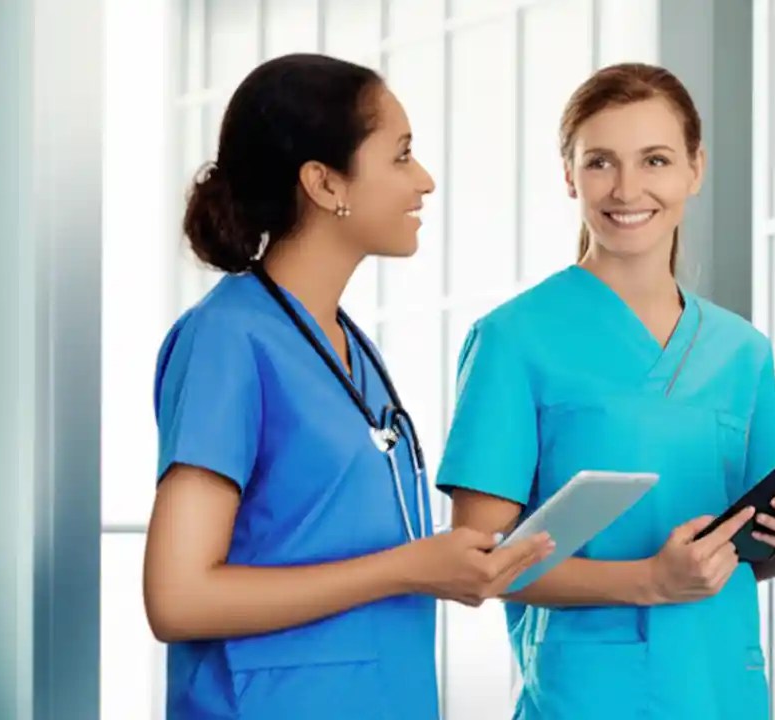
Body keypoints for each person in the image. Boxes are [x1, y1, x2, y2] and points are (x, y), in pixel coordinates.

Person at [435, 62, 775, 720]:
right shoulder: (514, 339)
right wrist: (647, 582)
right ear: (568, 174)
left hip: (724, 689)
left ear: (695, 168)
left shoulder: (742, 352)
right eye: (600, 162)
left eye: (655, 160)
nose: (628, 188)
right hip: (586, 697)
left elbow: (742, 547)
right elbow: (477, 560)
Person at [142, 53, 553, 720]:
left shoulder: (345, 344)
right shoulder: (227, 339)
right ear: (325, 183)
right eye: (400, 156)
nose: (423, 181)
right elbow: (178, 598)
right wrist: (409, 568)